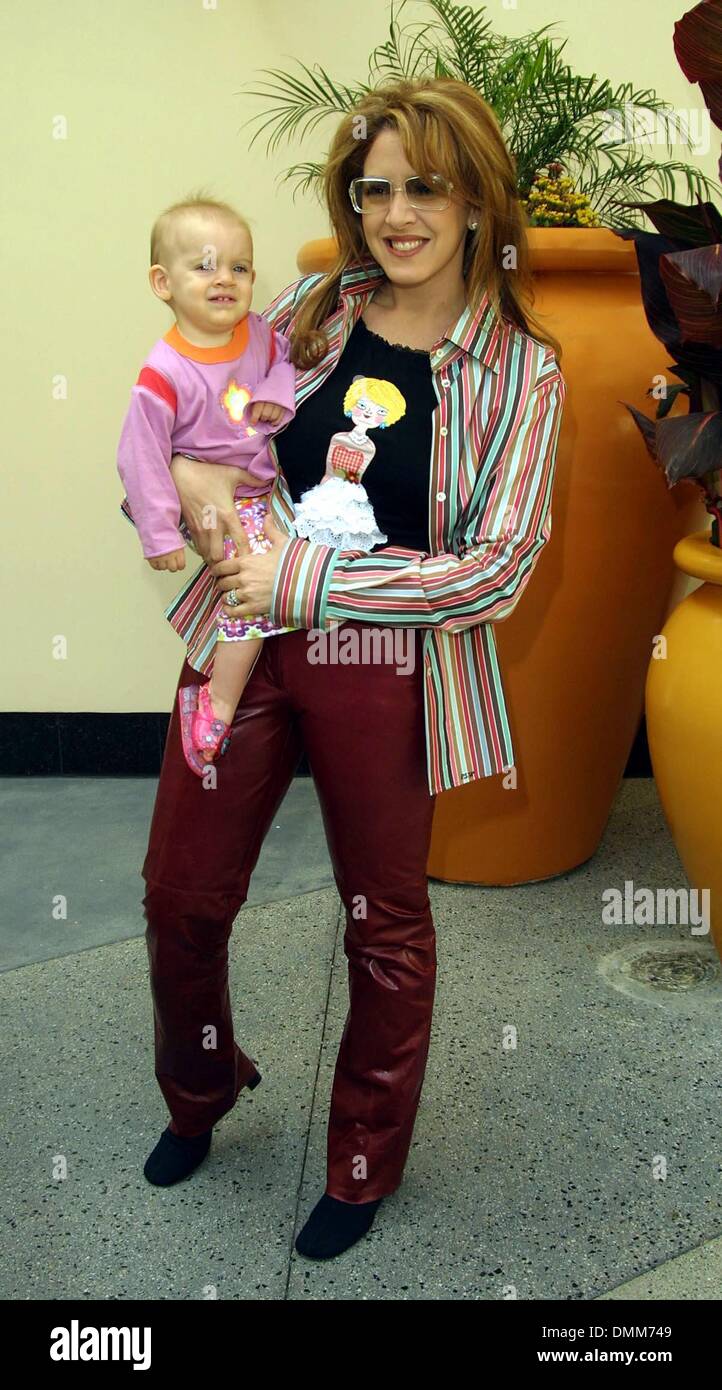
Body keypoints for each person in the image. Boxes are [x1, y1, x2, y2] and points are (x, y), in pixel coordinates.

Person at [119, 76, 567, 1262]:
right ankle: (199, 1089)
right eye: (374, 188)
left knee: (383, 921)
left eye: (425, 185)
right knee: (178, 894)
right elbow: (193, 426)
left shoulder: (523, 370)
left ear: (476, 199)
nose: (395, 211)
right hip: (242, 638)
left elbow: (495, 568)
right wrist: (189, 492)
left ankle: (361, 1161)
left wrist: (310, 586)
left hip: (381, 660)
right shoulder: (315, 303)